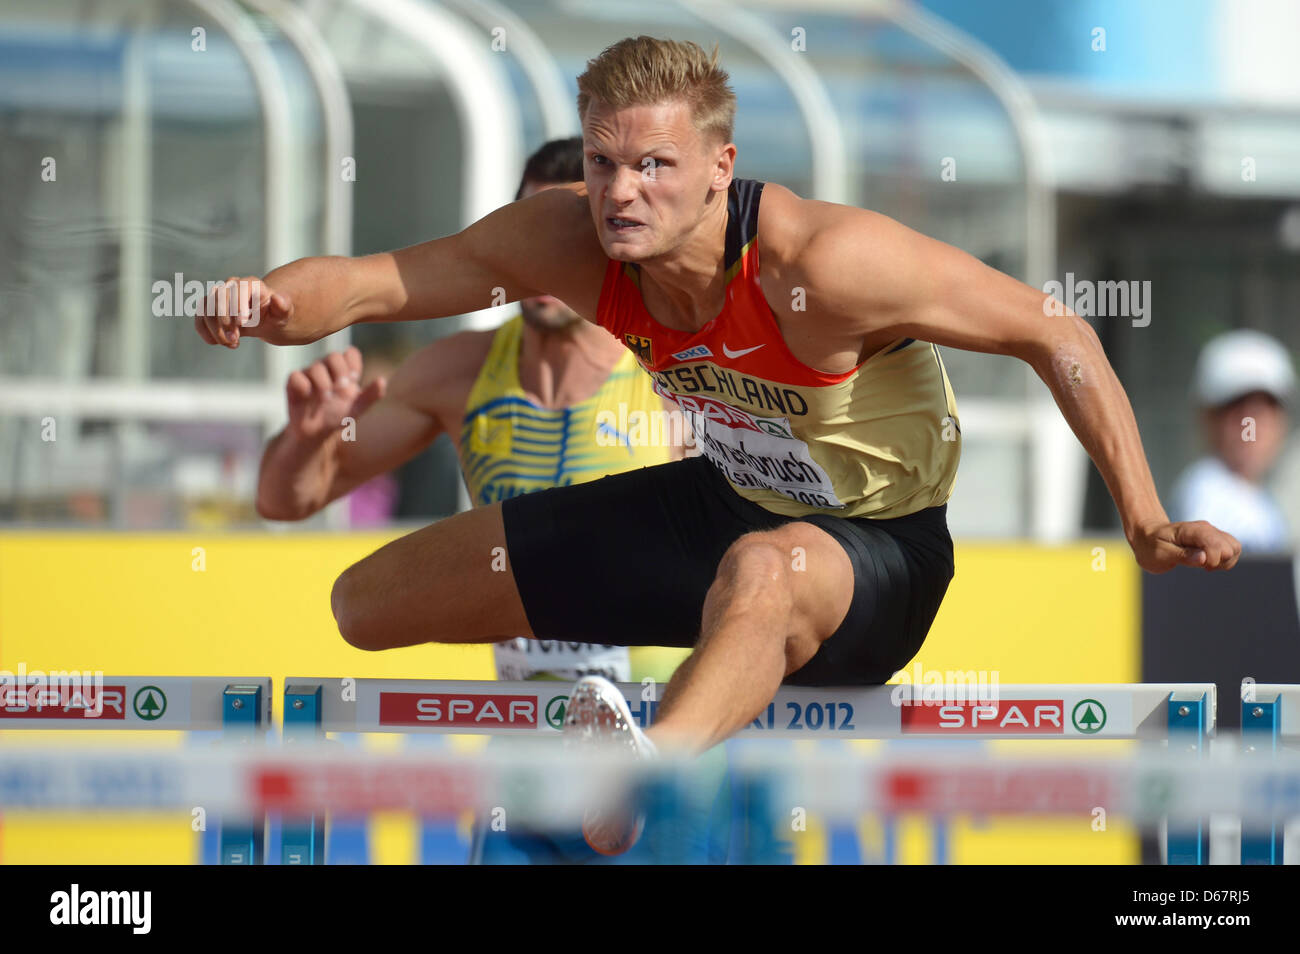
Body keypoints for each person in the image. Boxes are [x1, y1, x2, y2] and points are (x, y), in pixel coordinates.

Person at [199, 36, 1240, 855]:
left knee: (764, 566)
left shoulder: (828, 265)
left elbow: (1053, 330)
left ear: (719, 168)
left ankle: (639, 780)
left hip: (872, 556)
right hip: (720, 508)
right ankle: (634, 730)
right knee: (367, 604)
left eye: (653, 166)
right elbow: (378, 279)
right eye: (604, 162)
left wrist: (1141, 518)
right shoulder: (565, 237)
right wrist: (272, 299)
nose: (619, 192)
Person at [253, 137, 698, 861]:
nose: (549, 260)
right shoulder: (460, 372)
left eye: (573, 238)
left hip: (648, 762)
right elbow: (286, 500)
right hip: (524, 761)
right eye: (532, 235)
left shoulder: (673, 370)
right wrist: (307, 439)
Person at [1169, 329, 1294, 553]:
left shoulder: (1264, 501)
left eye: (1262, 410)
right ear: (1208, 419)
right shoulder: (1205, 491)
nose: (1250, 426)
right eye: (1237, 409)